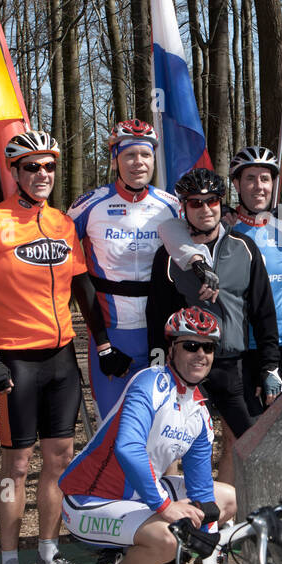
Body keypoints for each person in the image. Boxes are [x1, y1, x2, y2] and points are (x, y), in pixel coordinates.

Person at [0, 130, 98, 564]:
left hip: (60, 358)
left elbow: (83, 287)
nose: (43, 175)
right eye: (32, 167)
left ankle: (49, 555)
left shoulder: (62, 223)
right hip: (14, 358)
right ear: (15, 172)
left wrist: (100, 340)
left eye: (50, 167)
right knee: (15, 466)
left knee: (59, 460)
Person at [58, 307, 237, 564]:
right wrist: (166, 507)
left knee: (227, 498)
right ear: (172, 350)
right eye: (191, 345)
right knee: (167, 540)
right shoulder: (149, 383)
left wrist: (211, 558)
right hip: (88, 499)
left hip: (140, 495)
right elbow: (128, 447)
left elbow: (202, 493)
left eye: (207, 347)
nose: (200, 354)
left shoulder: (198, 410)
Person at [146, 167, 280, 486]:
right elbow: (156, 313)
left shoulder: (245, 247)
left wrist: (270, 366)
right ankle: (180, 518)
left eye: (212, 201)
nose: (205, 209)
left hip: (232, 362)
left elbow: (263, 311)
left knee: (242, 440)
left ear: (222, 202)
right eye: (196, 203)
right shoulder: (169, 255)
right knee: (176, 444)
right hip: (185, 364)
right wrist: (155, 360)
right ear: (184, 207)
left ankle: (227, 516)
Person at [161, 145, 282, 417]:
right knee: (239, 432)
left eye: (265, 178)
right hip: (234, 348)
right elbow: (172, 229)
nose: (258, 186)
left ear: (275, 183)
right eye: (249, 178)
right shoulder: (223, 226)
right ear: (236, 183)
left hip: (280, 344)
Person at [68, 120, 181, 419]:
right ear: (116, 158)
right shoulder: (89, 204)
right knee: (113, 422)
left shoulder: (171, 206)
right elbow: (59, 257)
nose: (138, 163)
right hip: (111, 333)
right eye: (129, 155)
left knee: (161, 423)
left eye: (146, 155)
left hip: (159, 331)